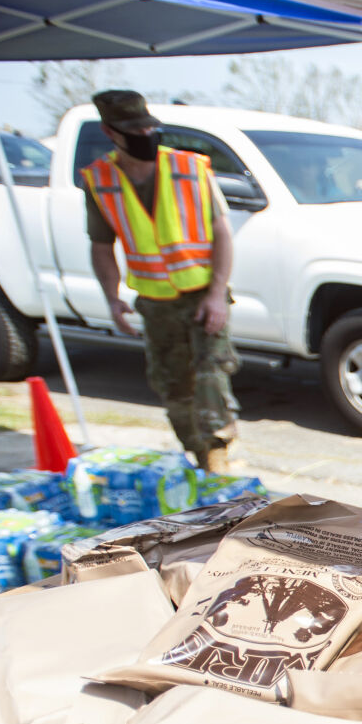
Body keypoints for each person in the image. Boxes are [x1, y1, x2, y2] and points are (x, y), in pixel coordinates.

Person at [83, 90, 239, 473]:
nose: (146, 134)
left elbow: (223, 234)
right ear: (111, 132)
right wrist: (113, 299)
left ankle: (218, 460)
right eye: (135, 129)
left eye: (150, 126)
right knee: (174, 387)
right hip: (155, 303)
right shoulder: (100, 180)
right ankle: (198, 457)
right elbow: (101, 246)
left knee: (210, 378)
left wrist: (217, 294)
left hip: (203, 295)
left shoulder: (189, 168)